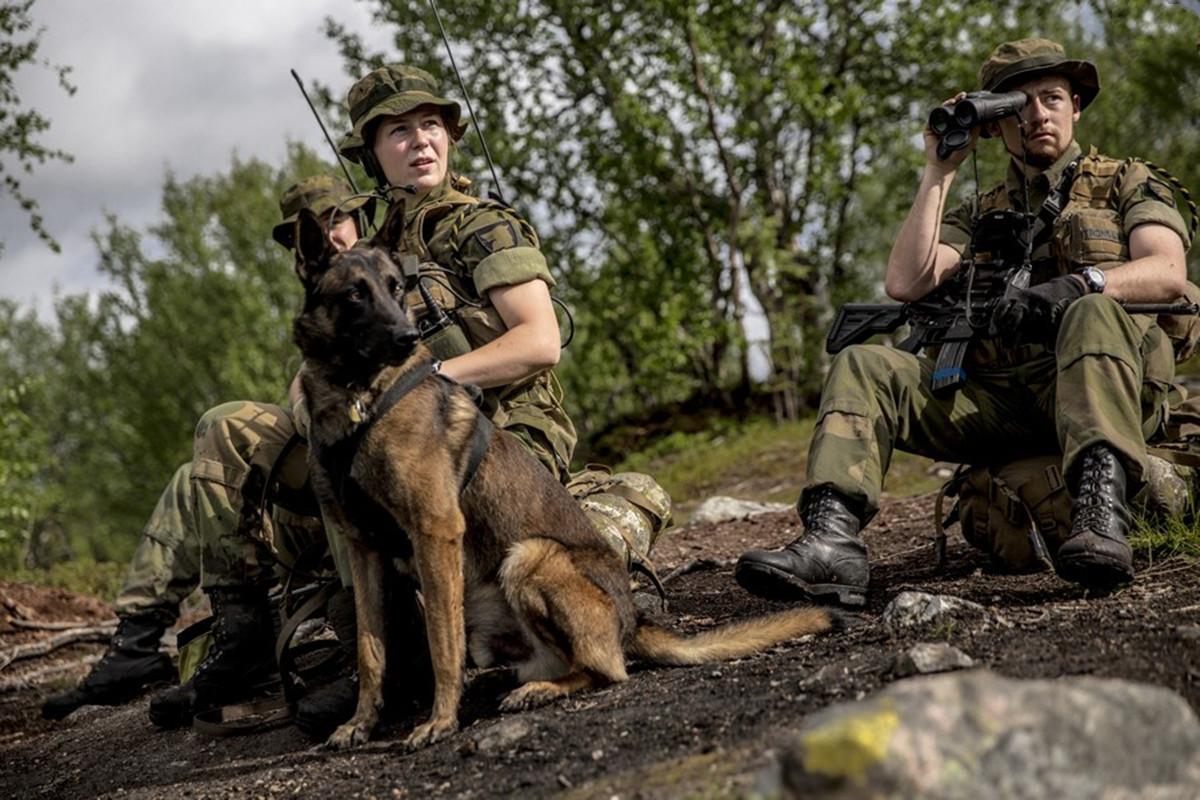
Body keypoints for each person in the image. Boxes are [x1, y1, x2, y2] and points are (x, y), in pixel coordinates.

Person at [734, 38, 1192, 606]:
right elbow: (906, 282)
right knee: (864, 364)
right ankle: (831, 541)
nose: (1037, 115)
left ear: (1076, 106)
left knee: (1094, 310)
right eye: (1016, 106)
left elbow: (1167, 272)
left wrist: (1083, 283)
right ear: (995, 125)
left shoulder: (1126, 180)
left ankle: (1100, 512)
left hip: (1106, 391)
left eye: (1052, 98)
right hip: (1001, 401)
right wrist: (938, 169)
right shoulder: (979, 210)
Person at [40, 176, 371, 721]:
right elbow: (305, 392)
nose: (327, 239)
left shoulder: (383, 282)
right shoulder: (324, 299)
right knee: (194, 473)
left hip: (374, 472)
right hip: (320, 469)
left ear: (359, 221)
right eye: (305, 236)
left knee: (233, 437)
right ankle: (143, 644)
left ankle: (362, 651)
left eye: (336, 221)